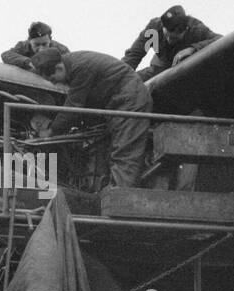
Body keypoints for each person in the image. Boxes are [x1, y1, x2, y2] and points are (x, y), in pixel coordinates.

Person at [31, 47, 152, 188]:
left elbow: (74, 105)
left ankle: (119, 203)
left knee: (125, 155)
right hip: (117, 103)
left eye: (52, 79)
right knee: (111, 152)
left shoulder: (81, 67)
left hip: (130, 102)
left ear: (59, 68)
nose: (54, 83)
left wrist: (51, 130)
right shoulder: (71, 64)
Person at [122, 5, 219, 82]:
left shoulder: (197, 29)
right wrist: (119, 78)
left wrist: (193, 48)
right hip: (159, 69)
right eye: (167, 36)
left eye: (173, 38)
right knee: (131, 82)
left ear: (185, 30)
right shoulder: (153, 29)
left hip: (186, 70)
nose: (169, 40)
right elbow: (134, 55)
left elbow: (219, 40)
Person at [0, 20, 69, 72]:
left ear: (50, 40)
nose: (41, 49)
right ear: (29, 40)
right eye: (37, 45)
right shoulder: (23, 46)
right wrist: (28, 62)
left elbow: (70, 65)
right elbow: (6, 55)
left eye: (44, 44)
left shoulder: (61, 50)